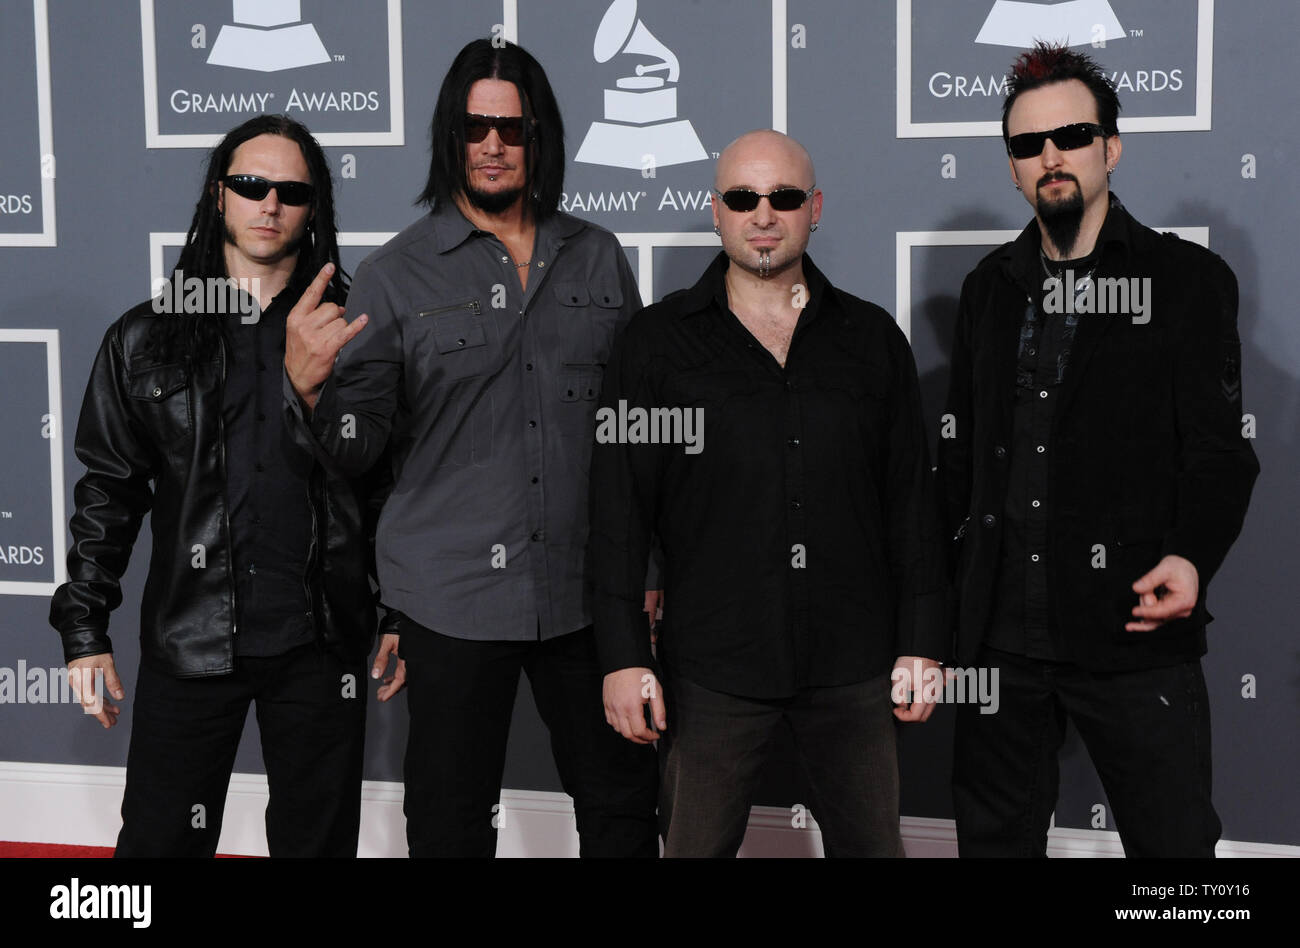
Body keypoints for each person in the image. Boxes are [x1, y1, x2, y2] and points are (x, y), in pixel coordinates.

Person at [284, 38, 658, 858]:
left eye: (512, 129)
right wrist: (310, 391)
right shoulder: (394, 275)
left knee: (625, 806)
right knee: (450, 823)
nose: (492, 145)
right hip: (450, 597)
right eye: (473, 127)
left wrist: (649, 572)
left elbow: (635, 439)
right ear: (450, 138)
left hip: (588, 593)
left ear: (541, 138)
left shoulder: (598, 256)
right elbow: (360, 451)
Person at [937, 42, 1259, 857]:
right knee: (994, 847)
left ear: (1110, 148)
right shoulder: (987, 291)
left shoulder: (1187, 282)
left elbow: (1220, 456)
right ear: (1012, 167)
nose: (1051, 157)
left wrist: (1190, 558)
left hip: (1133, 632)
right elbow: (965, 465)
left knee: (1175, 855)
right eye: (1027, 144)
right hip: (1000, 646)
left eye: (1072, 136)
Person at [592, 130, 948, 858]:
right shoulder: (655, 345)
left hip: (854, 668)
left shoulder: (872, 339)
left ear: (813, 208)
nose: (763, 214)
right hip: (712, 673)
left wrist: (922, 645)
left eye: (783, 198)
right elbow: (618, 512)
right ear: (716, 211)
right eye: (743, 198)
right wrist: (622, 655)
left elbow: (911, 505)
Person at [50, 114, 384, 857]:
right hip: (191, 639)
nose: (270, 204)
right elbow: (108, 491)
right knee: (159, 846)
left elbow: (389, 488)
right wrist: (84, 630)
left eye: (291, 191)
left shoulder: (357, 334)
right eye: (251, 185)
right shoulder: (146, 337)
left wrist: (397, 615)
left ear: (314, 207)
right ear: (219, 193)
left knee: (318, 847)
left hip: (321, 641)